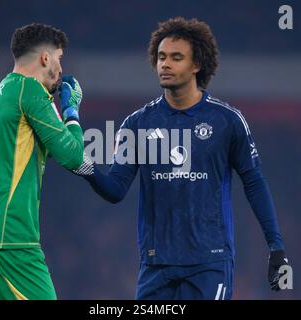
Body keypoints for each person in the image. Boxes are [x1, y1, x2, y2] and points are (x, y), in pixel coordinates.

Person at [76, 17, 289, 299]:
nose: (165, 64)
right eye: (161, 57)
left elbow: (254, 183)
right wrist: (83, 164)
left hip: (209, 264)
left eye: (176, 58)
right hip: (156, 266)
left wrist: (276, 247)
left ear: (196, 65)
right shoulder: (137, 124)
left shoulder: (227, 121)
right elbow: (116, 189)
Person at [0, 23, 84, 300]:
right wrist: (71, 112)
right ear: (45, 58)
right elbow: (73, 156)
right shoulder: (29, 92)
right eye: (60, 58)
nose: (60, 69)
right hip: (11, 237)